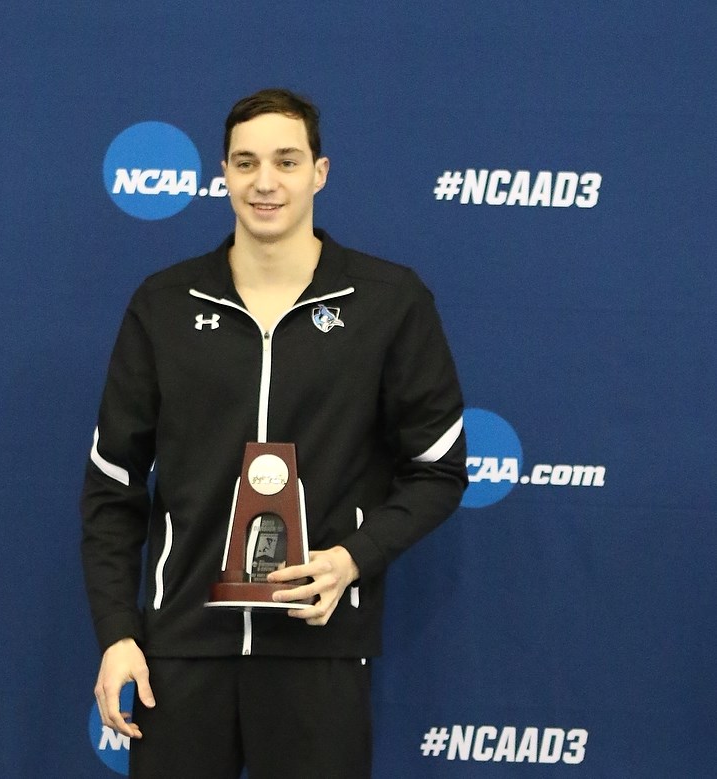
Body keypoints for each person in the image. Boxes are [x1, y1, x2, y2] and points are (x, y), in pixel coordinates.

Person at [81, 88, 467, 778]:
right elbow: (112, 488)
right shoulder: (164, 305)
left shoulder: (389, 302)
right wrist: (117, 634)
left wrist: (352, 556)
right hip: (181, 651)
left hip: (319, 648)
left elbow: (438, 468)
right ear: (222, 174)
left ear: (320, 171)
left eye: (286, 161)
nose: (265, 182)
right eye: (246, 162)